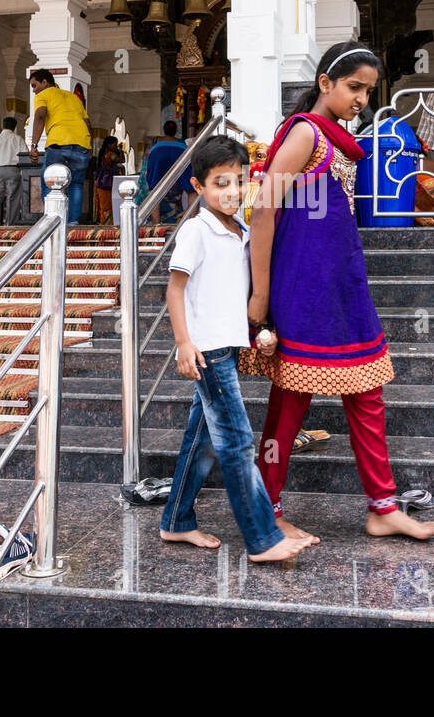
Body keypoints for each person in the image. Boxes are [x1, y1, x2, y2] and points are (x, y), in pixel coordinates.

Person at [246, 41, 434, 543]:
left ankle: (383, 507)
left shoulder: (339, 141)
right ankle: (264, 510)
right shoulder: (305, 134)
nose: (360, 99)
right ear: (325, 84)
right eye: (353, 87)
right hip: (303, 288)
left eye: (368, 91)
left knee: (367, 390)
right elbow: (264, 211)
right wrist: (260, 296)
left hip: (341, 284)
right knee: (288, 405)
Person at [158, 135, 309, 563]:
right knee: (238, 442)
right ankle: (263, 538)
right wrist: (184, 344)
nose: (231, 192)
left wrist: (261, 328)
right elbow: (175, 289)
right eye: (220, 183)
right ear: (198, 186)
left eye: (238, 182)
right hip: (206, 351)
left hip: (227, 346)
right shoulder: (196, 230)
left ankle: (176, 520)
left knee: (202, 440)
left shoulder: (241, 229)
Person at [27, 68, 91, 224]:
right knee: (76, 183)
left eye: (34, 86)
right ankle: (72, 222)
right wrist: (89, 148)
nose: (34, 91)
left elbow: (40, 116)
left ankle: (52, 219)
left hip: (58, 143)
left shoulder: (43, 95)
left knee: (49, 181)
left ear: (45, 82)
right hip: (81, 142)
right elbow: (88, 123)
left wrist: (34, 145)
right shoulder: (74, 98)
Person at [144, 120, 188, 224]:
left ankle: (156, 226)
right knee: (174, 200)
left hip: (158, 176)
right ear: (176, 131)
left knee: (154, 190)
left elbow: (146, 164)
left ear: (164, 130)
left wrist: (146, 179)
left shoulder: (154, 142)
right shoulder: (181, 143)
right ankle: (174, 223)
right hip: (174, 182)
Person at [0, 116, 25, 225]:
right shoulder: (18, 139)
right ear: (15, 127)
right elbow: (25, 156)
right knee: (13, 199)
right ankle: (10, 225)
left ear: (3, 126)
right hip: (14, 171)